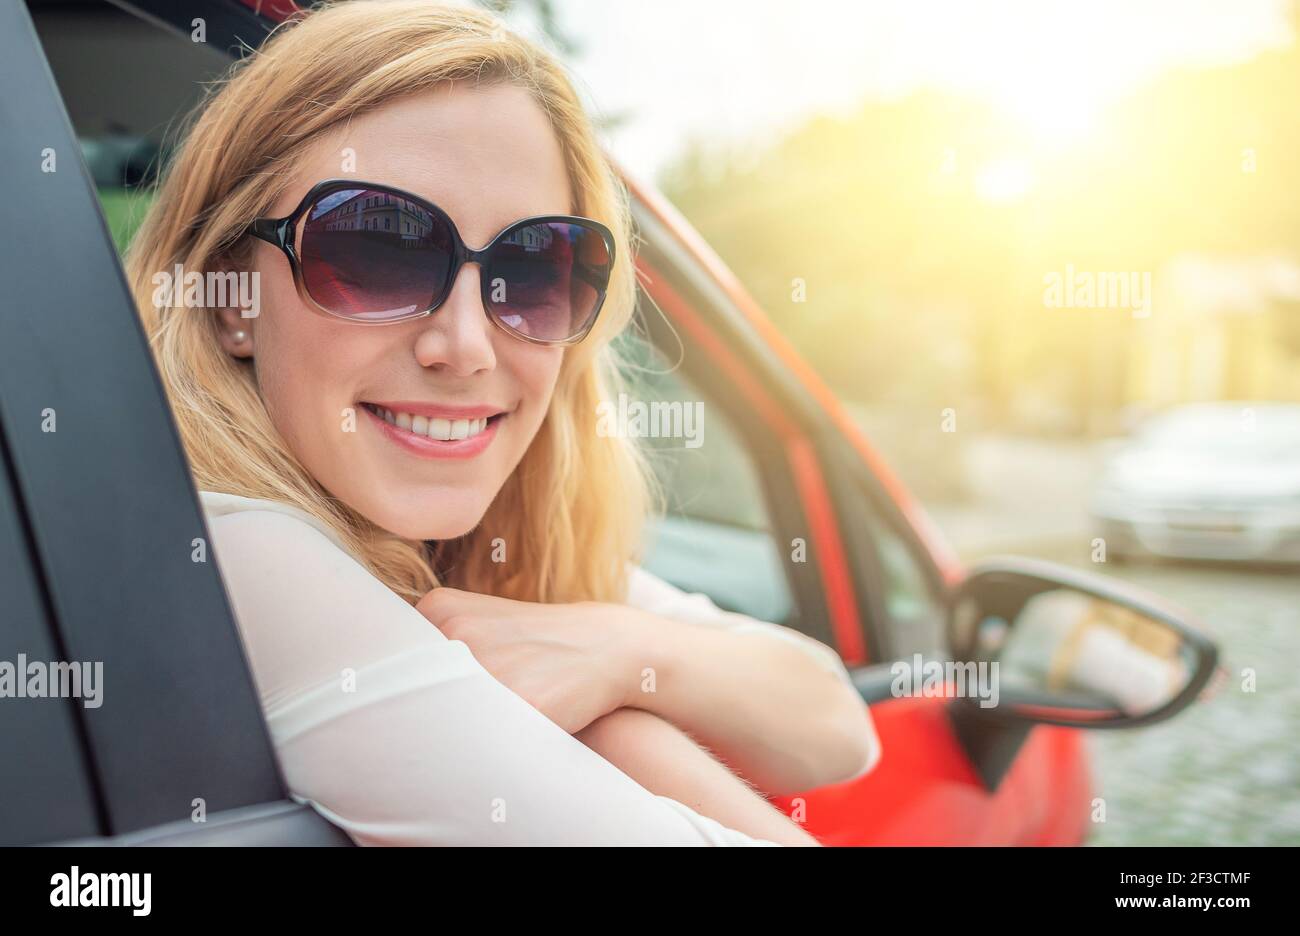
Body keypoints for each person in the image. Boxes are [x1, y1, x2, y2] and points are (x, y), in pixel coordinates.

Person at [126, 0, 879, 845]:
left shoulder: (475, 559)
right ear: (232, 299)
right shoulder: (237, 551)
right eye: (376, 251)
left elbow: (839, 722)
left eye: (532, 268)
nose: (467, 346)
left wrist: (619, 656)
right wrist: (612, 722)